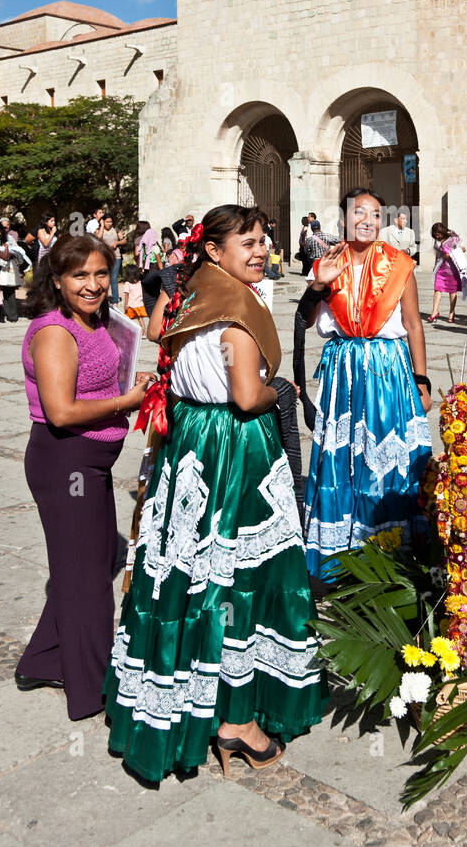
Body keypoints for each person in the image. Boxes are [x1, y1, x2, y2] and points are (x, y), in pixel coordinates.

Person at [105, 205, 325, 781]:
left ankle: (176, 707)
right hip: (235, 447)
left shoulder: (189, 296)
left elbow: (155, 333)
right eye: (246, 243)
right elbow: (249, 396)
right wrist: (283, 386)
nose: (260, 251)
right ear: (214, 252)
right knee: (242, 577)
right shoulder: (235, 313)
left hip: (190, 444)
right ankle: (236, 721)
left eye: (263, 241)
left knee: (186, 571)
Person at [15, 236, 152, 719]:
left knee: (85, 565)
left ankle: (44, 660)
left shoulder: (95, 322)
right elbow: (62, 410)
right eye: (80, 276)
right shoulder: (54, 331)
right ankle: (92, 690)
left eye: (100, 273)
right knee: (89, 578)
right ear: (56, 281)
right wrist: (126, 403)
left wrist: (128, 386)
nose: (93, 285)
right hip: (65, 462)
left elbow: (95, 382)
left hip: (88, 463)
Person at [300, 188, 433, 579]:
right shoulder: (326, 264)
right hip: (343, 371)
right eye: (359, 213)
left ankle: (392, 553)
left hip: (387, 370)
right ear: (343, 219)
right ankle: (339, 556)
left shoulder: (399, 264)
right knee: (342, 457)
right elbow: (306, 320)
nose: (367, 220)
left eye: (375, 214)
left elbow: (412, 325)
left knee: (386, 455)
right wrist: (318, 286)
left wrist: (421, 379)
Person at [429, 222, 465, 323]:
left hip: (452, 268)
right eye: (435, 233)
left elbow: (463, 249)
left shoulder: (453, 238)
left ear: (443, 231)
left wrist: (451, 254)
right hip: (441, 267)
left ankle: (451, 312)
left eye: (438, 233)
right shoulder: (436, 240)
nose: (437, 235)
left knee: (452, 291)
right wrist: (435, 266)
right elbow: (438, 254)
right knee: (437, 289)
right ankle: (435, 311)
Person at [100, 215, 126, 303]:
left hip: (116, 256)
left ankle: (115, 300)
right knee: (104, 277)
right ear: (103, 221)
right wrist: (102, 226)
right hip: (104, 257)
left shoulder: (115, 229)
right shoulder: (99, 230)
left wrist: (117, 243)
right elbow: (97, 238)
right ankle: (104, 298)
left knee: (113, 278)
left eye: (110, 222)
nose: (109, 224)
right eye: (107, 222)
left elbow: (124, 240)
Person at [122, 265, 148, 331]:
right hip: (139, 304)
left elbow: (126, 296)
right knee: (140, 319)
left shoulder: (127, 283)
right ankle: (143, 332)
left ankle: (127, 332)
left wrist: (125, 305)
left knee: (126, 319)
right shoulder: (140, 283)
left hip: (131, 305)